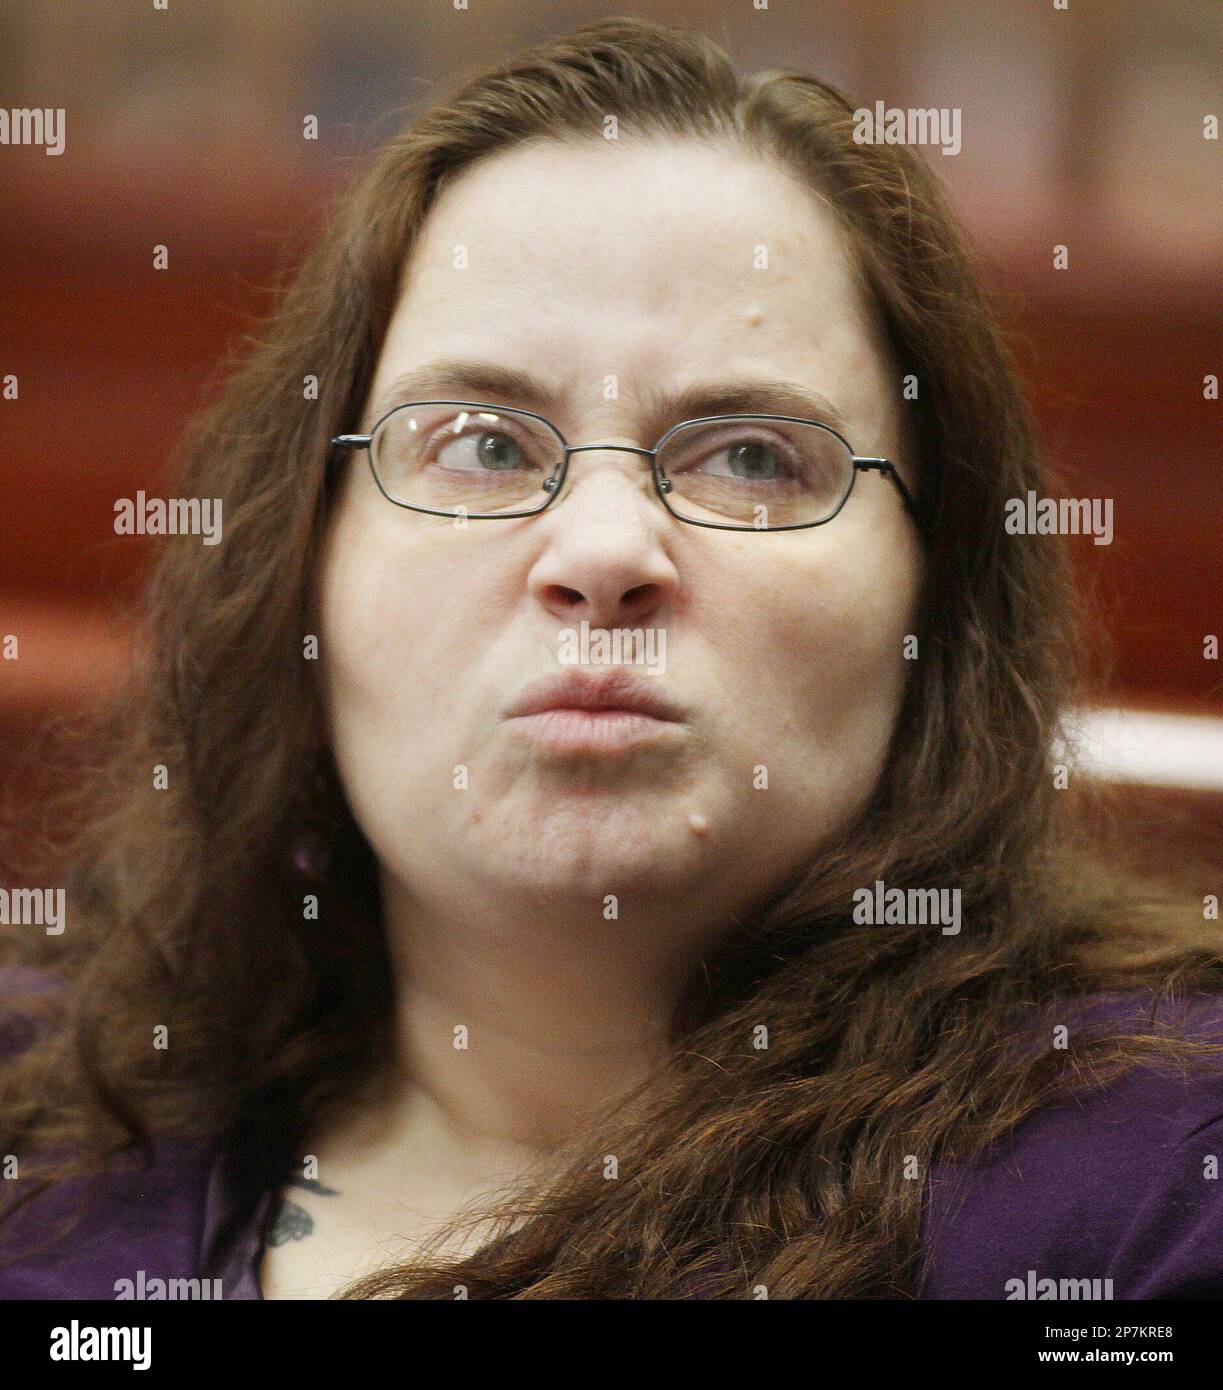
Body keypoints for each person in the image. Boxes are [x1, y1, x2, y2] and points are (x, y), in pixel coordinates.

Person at [2, 15, 1221, 1301]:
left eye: (751, 456)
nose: (597, 550)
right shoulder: (52, 1109)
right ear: (302, 565)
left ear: (937, 604)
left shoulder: (1151, 1197)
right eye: (480, 443)